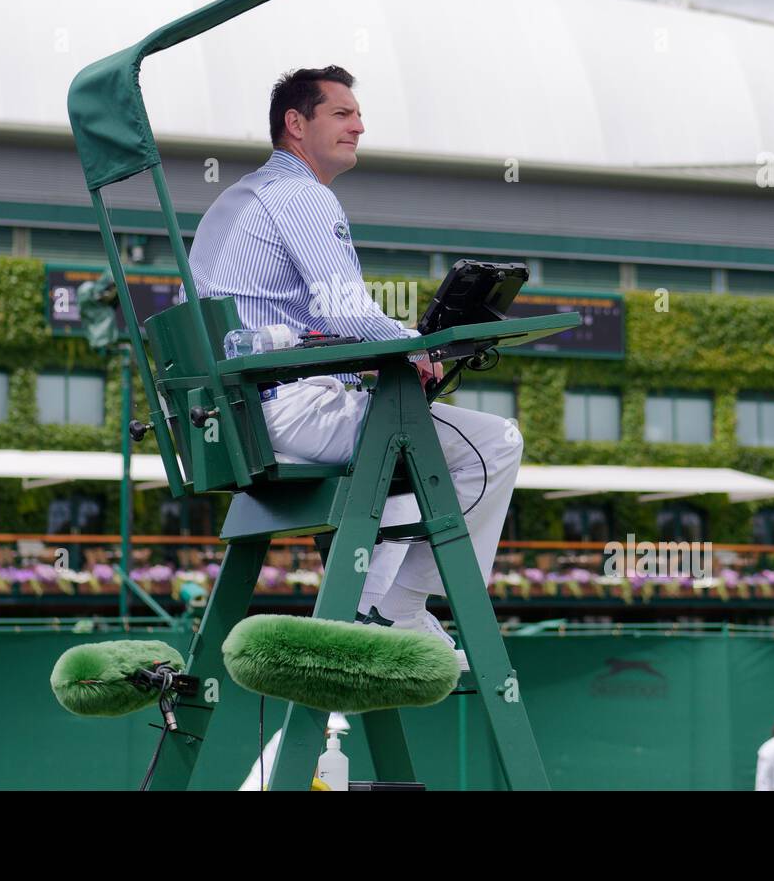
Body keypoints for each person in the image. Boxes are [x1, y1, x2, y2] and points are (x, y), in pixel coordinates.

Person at [182, 65, 524, 669]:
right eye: (342, 114)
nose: (359, 126)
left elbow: (309, 323)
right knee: (494, 444)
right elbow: (344, 305)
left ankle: (384, 612)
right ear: (295, 124)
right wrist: (417, 344)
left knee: (395, 460)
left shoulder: (241, 197)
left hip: (240, 415)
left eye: (358, 115)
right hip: (283, 411)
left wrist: (398, 346)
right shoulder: (301, 194)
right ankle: (399, 607)